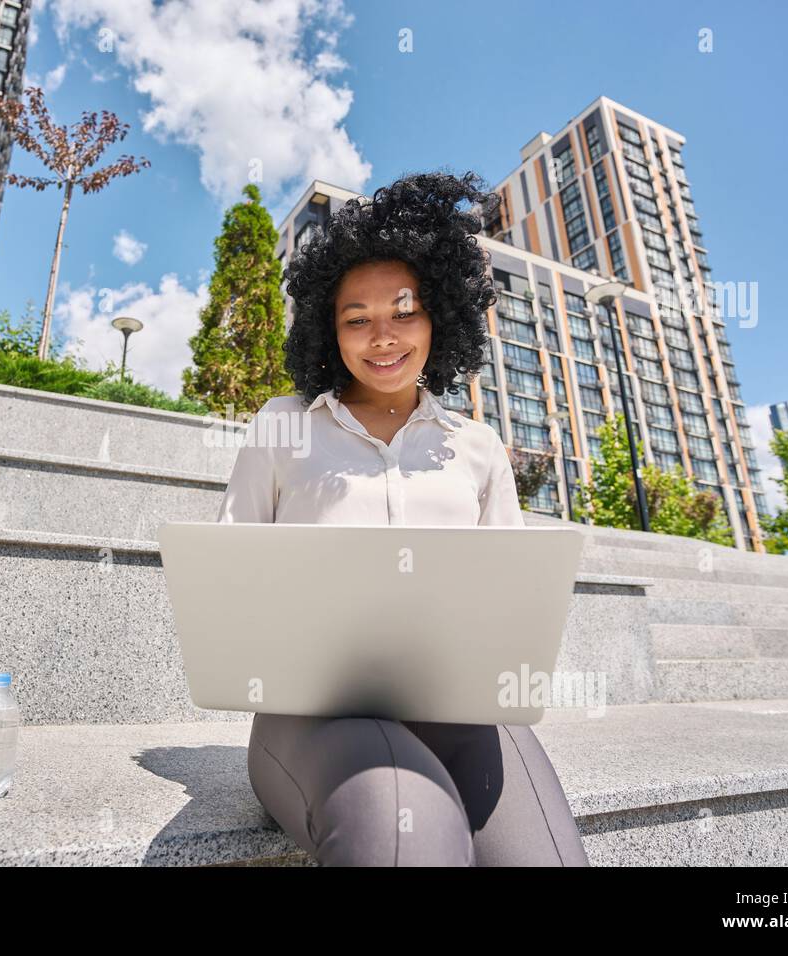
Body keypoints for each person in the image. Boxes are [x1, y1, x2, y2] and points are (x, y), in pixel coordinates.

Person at [215, 170, 589, 866]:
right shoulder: (282, 425)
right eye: (357, 318)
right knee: (405, 819)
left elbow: (509, 611)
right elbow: (230, 582)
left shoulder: (476, 448)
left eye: (404, 311)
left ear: (438, 316)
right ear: (330, 328)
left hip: (458, 712)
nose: (381, 337)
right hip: (308, 717)